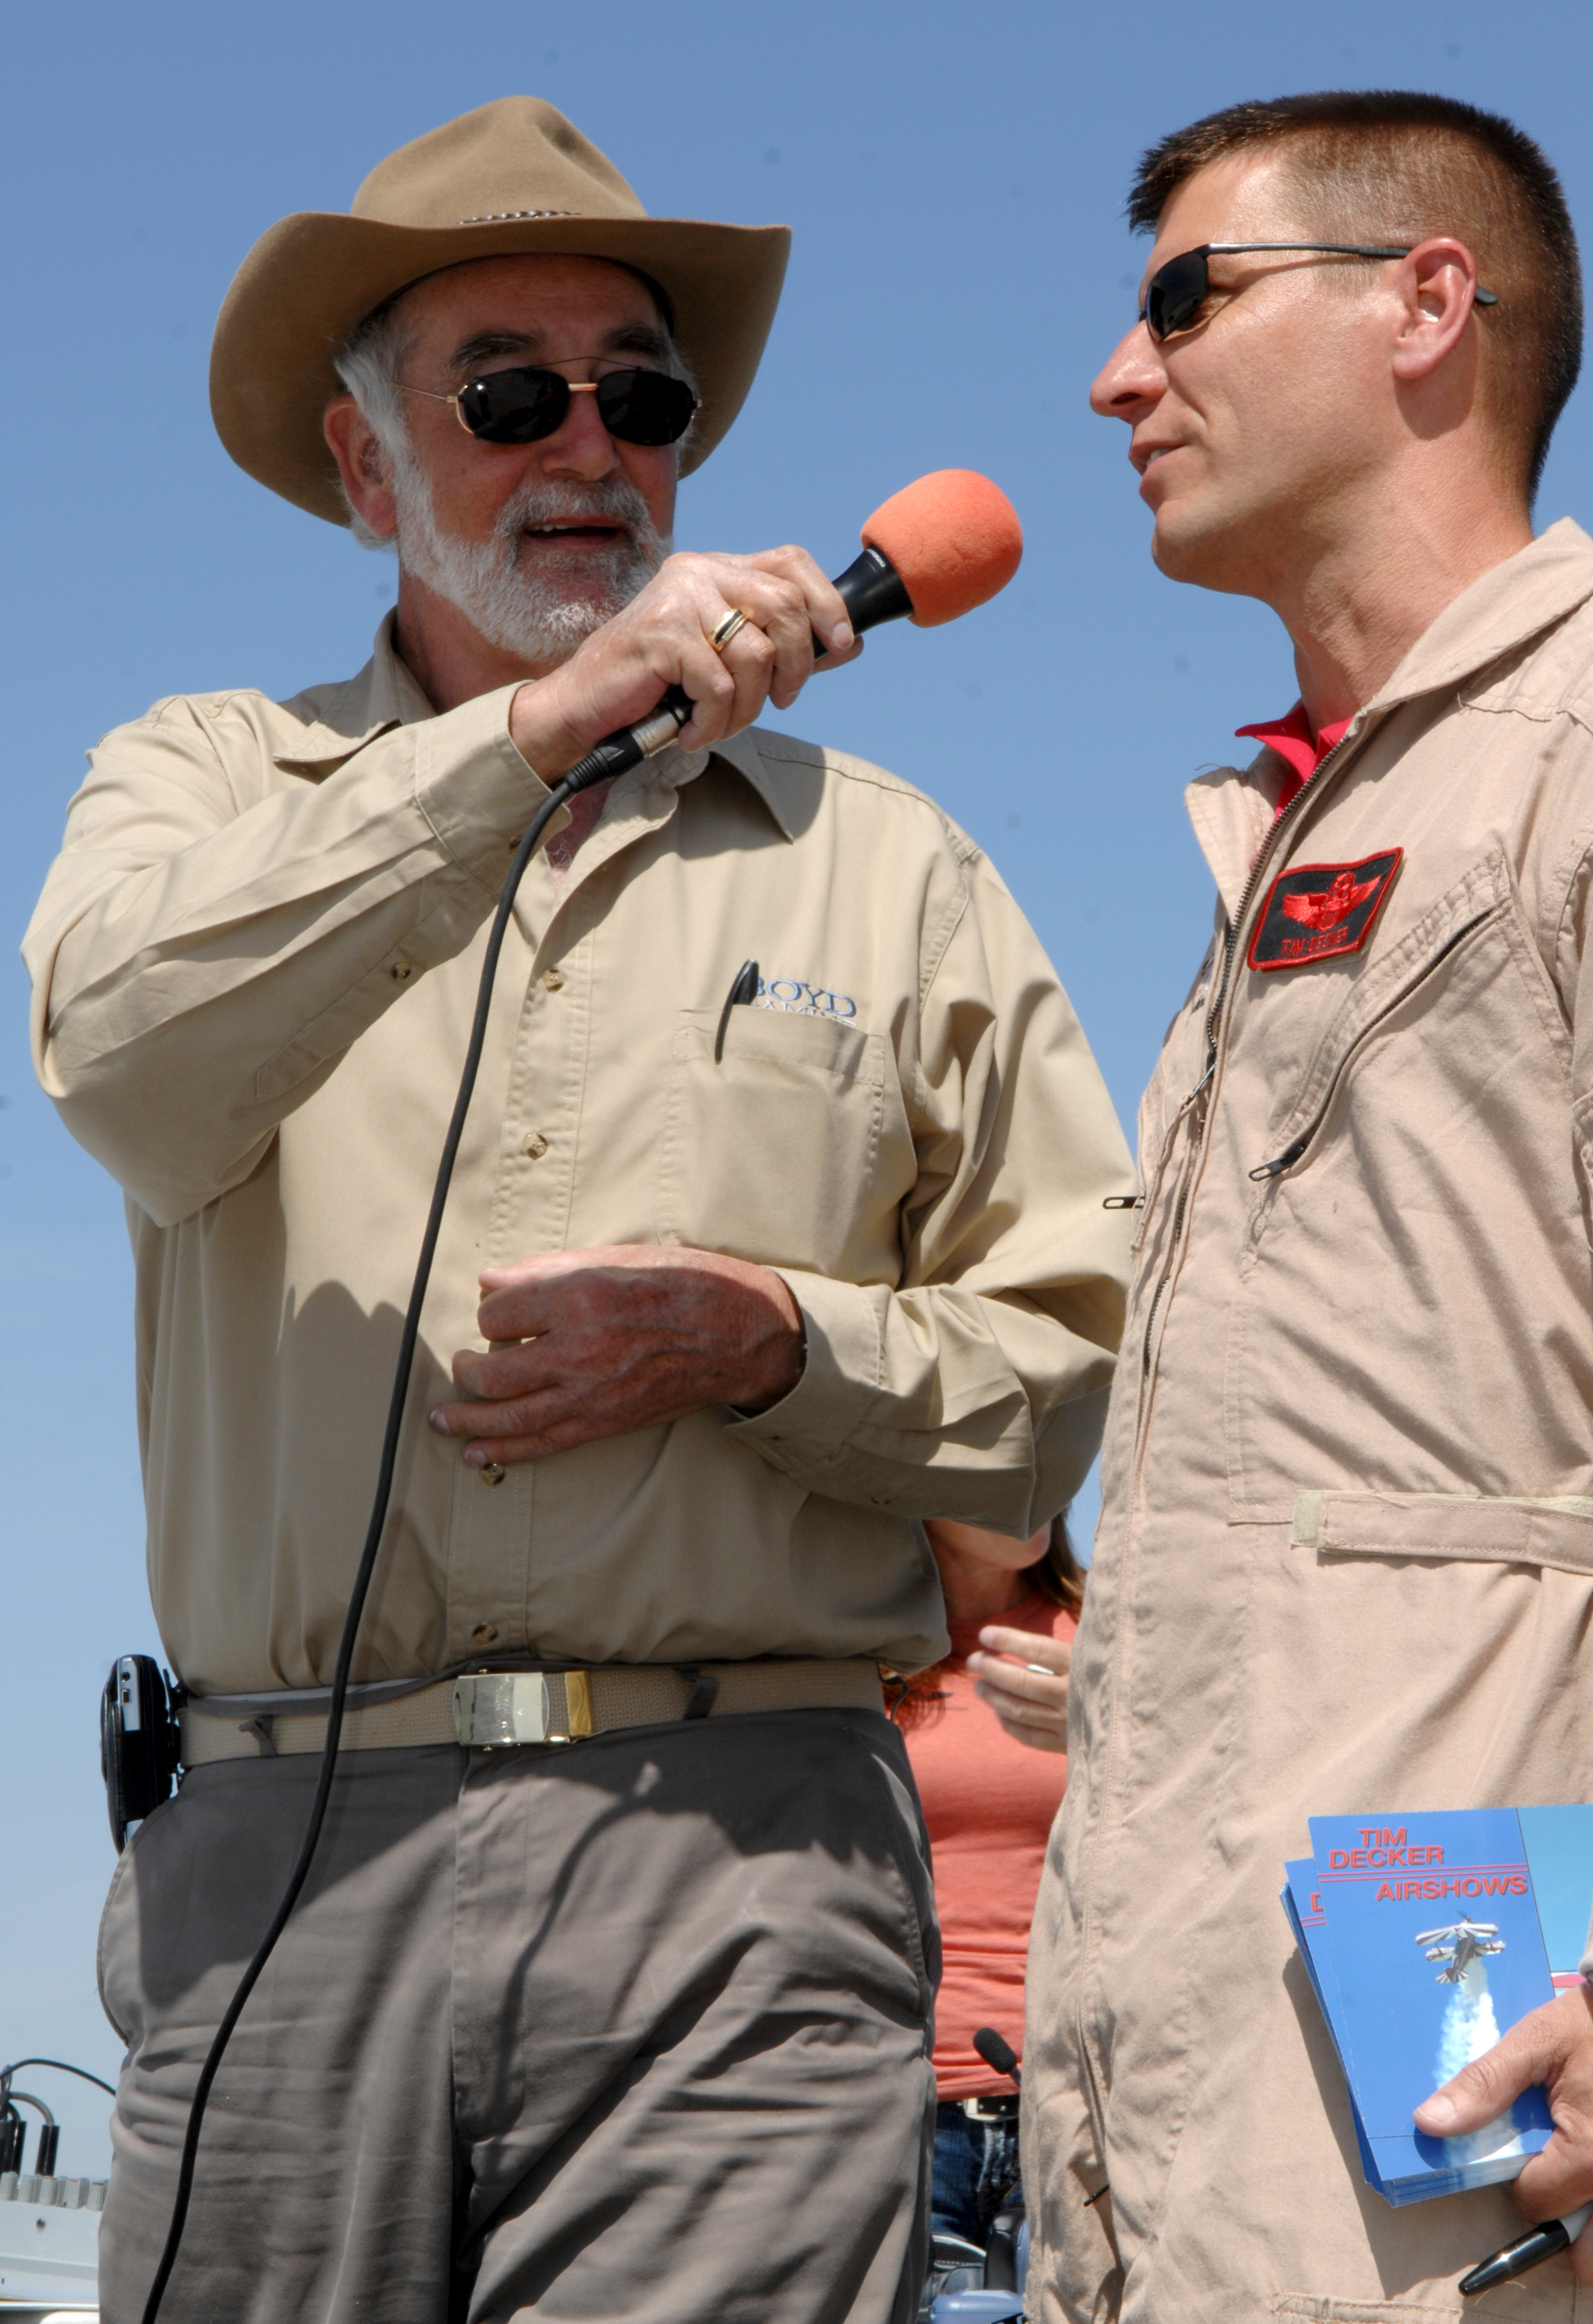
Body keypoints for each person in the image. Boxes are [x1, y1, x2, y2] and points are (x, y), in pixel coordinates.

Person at [24, 97, 1133, 2323]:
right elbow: (125, 1067)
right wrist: (527, 739)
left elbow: (1057, 1386)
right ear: (361, 466)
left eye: (645, 395)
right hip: (281, 1864)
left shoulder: (895, 863)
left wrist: (777, 1347)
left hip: (747, 1878)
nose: (593, 446)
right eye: (509, 393)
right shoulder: (199, 780)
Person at [1024, 88, 1593, 2324]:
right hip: (1197, 2055)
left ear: (1430, 303)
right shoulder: (1300, 832)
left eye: (1182, 300)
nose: (1115, 377)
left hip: (1504, 2066)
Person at [893, 1516, 1078, 2280]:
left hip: (1080, 2108)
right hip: (900, 2115)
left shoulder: (1114, 1632)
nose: (1034, 1477)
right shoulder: (842, 1659)